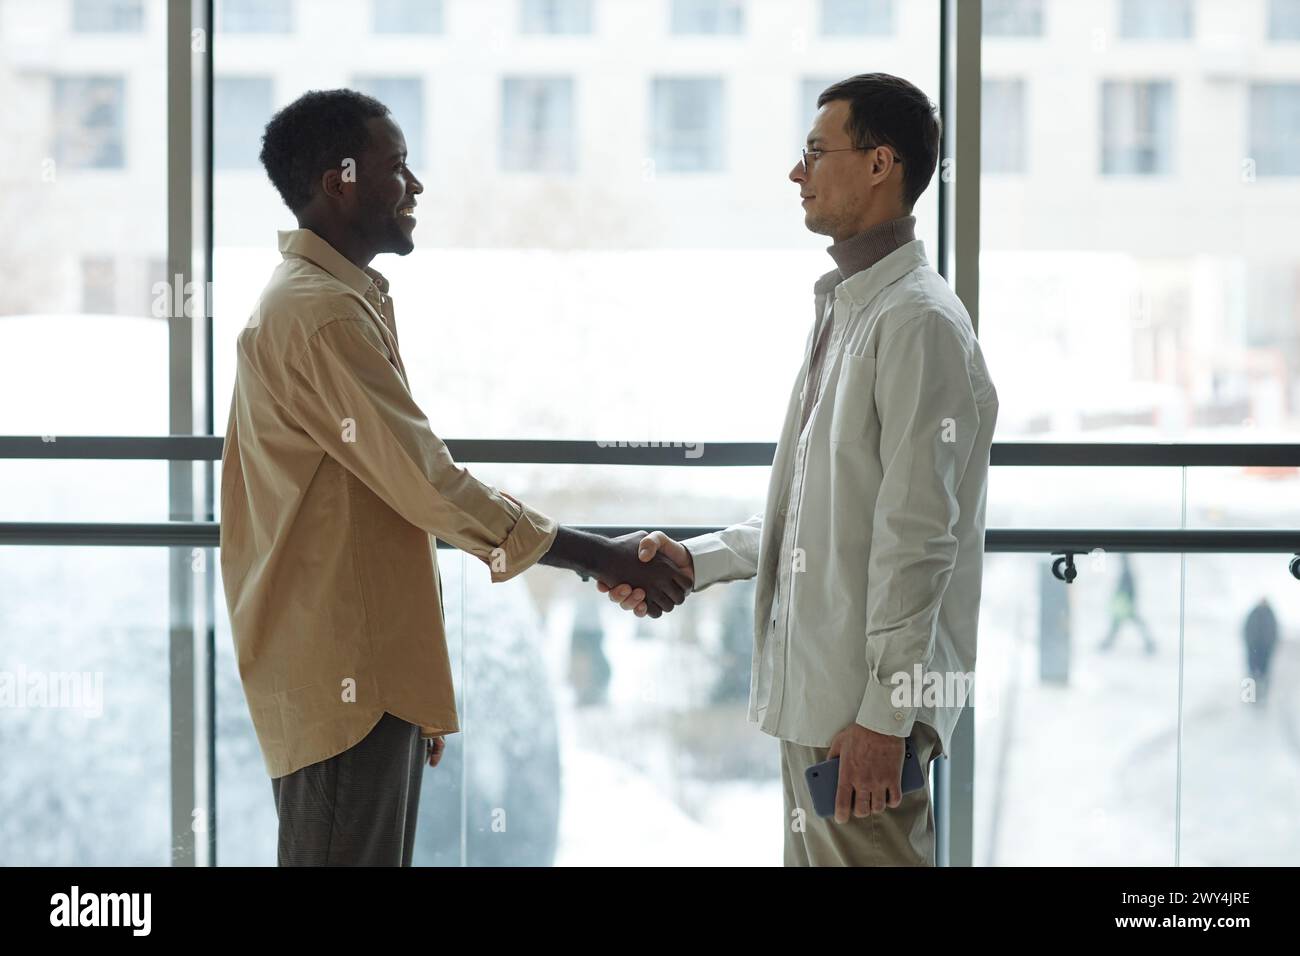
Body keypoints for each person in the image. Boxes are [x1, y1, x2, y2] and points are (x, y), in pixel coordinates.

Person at [219, 89, 690, 866]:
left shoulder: (326, 302)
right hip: (347, 688)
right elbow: (427, 484)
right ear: (340, 179)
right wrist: (597, 555)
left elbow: (373, 502)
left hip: (360, 679)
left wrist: (409, 685)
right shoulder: (322, 316)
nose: (416, 187)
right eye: (397, 167)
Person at [600, 74, 999, 866]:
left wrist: (886, 721)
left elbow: (920, 540)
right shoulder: (852, 308)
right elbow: (820, 513)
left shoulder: (915, 322)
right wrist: (698, 559)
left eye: (816, 151)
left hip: (861, 719)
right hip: (823, 710)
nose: (797, 173)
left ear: (881, 163)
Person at [1098, 552, 1155, 655]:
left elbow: (1127, 589)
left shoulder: (1126, 573)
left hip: (1126, 604)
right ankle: (1149, 644)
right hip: (1126, 604)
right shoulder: (1126, 572)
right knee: (1118, 625)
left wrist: (1127, 601)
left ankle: (1149, 644)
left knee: (1117, 626)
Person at [1243, 597, 1279, 704]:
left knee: (1264, 674)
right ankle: (1249, 698)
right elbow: (1246, 629)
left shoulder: (1270, 614)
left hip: (1265, 650)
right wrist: (1249, 643)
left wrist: (1271, 645)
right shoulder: (1254, 613)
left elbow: (1275, 632)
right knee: (1251, 673)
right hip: (1253, 648)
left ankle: (1263, 698)